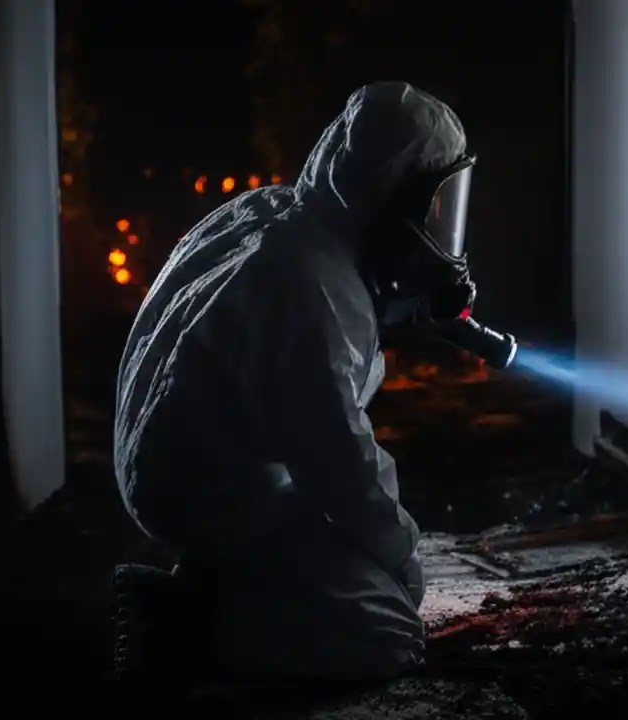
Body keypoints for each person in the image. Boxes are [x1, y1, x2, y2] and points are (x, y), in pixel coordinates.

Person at [110, 81, 481, 687]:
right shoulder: (315, 288)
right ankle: (182, 619)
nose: (441, 231)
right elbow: (345, 467)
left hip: (188, 465)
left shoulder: (276, 214)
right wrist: (404, 569)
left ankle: (218, 581)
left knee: (344, 556)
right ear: (391, 199)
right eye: (432, 207)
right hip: (218, 492)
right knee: (387, 633)